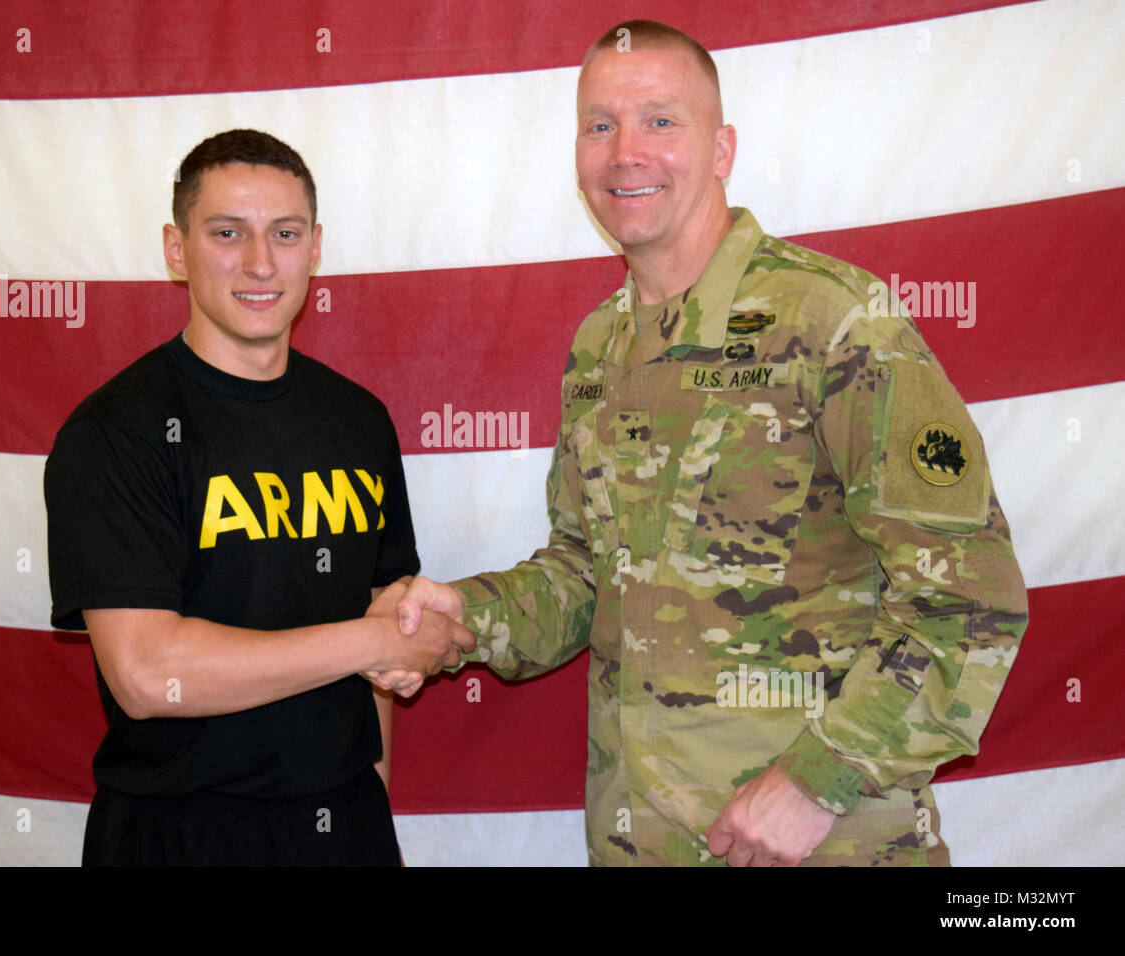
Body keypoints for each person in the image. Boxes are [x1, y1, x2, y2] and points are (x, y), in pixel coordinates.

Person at [381, 20, 1028, 866]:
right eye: (600, 125)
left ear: (721, 148)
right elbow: (587, 571)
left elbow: (970, 602)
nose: (625, 153)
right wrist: (468, 618)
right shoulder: (599, 347)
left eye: (660, 120)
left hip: (821, 846)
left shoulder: (832, 320)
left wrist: (818, 780)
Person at [44, 128, 472, 866]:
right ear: (177, 250)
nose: (259, 262)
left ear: (315, 247)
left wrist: (373, 783)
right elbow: (148, 676)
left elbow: (387, 616)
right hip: (181, 829)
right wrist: (373, 641)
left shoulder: (359, 418)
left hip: (345, 819)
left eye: (284, 232)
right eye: (226, 233)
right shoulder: (115, 431)